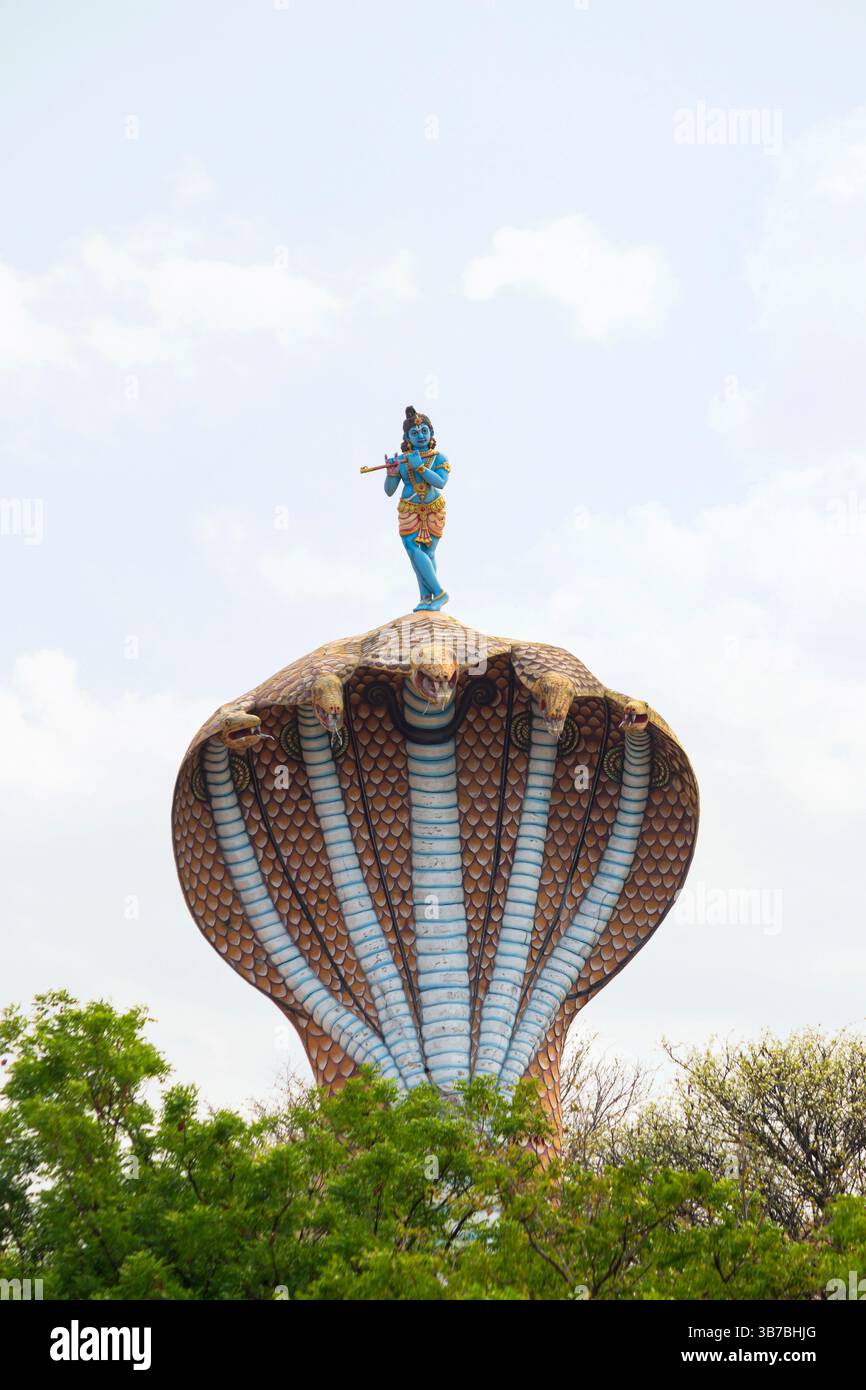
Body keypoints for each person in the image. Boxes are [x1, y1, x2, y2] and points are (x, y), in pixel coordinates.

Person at [384, 405, 450, 612]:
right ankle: (426, 597)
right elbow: (389, 490)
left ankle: (438, 594)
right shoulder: (404, 461)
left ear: (431, 433)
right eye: (414, 433)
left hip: (433, 509)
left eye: (424, 431)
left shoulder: (439, 458)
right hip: (410, 510)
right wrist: (392, 472)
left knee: (428, 553)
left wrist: (419, 467)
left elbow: (440, 482)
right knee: (414, 551)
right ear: (407, 438)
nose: (420, 436)